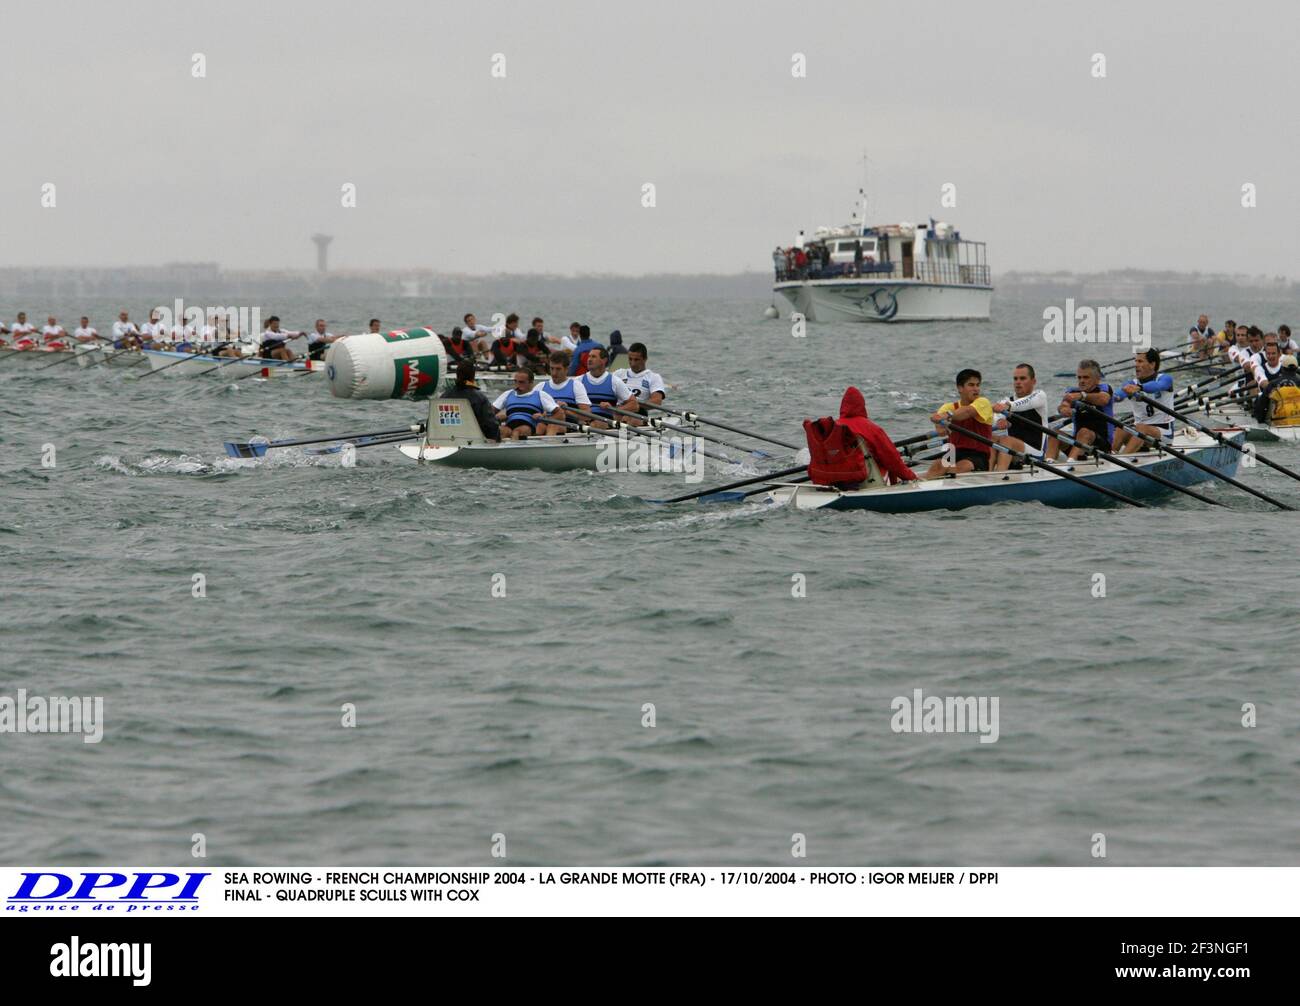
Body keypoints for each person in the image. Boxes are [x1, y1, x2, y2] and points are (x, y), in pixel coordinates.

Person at [832, 386, 916, 485]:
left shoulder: (832, 428)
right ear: (862, 406)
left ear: (842, 406)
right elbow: (892, 460)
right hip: (869, 482)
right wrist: (912, 477)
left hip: (836, 481)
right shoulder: (871, 429)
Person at [924, 369, 995, 477]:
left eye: (977, 385)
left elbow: (967, 412)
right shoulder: (949, 407)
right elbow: (941, 431)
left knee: (960, 467)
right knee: (937, 465)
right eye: (971, 385)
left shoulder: (983, 402)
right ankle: (915, 484)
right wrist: (938, 423)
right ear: (960, 388)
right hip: (953, 453)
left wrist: (946, 416)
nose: (976, 389)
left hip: (978, 456)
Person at [1045, 359, 1116, 461]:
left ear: (1097, 379)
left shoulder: (1104, 389)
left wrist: (1082, 396)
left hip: (1101, 445)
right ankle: (1049, 463)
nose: (1082, 381)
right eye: (1079, 377)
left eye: (1086, 377)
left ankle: (1071, 463)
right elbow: (1064, 404)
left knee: (1084, 432)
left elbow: (1103, 400)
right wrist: (1064, 410)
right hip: (1078, 444)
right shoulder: (1072, 392)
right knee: (1054, 433)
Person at [1111, 349, 1176, 452]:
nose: (1136, 365)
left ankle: (1124, 459)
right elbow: (1120, 394)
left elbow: (1157, 386)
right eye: (1135, 361)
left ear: (1152, 364)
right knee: (1120, 428)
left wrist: (1139, 387)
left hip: (1164, 433)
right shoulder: (1130, 383)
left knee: (1142, 428)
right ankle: (1110, 458)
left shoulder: (1165, 379)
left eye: (1140, 361)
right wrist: (1112, 398)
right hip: (1139, 431)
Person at [990, 363, 1049, 470]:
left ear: (1033, 381)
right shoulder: (1006, 401)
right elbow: (993, 419)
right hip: (1014, 452)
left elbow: (1025, 403)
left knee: (1006, 440)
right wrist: (999, 421)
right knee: (992, 438)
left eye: (1022, 378)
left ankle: (1000, 475)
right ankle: (988, 475)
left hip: (1036, 454)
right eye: (1015, 379)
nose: (1018, 382)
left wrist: (1008, 406)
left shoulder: (1040, 396)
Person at [492, 368, 561, 440]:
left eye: (521, 382)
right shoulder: (508, 394)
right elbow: (490, 412)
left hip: (528, 426)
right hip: (509, 425)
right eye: (515, 381)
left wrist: (544, 419)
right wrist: (496, 418)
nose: (517, 385)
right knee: (500, 431)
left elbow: (559, 412)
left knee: (517, 432)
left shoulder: (540, 395)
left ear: (531, 383)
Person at [442, 361, 501, 442]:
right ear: (473, 376)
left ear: (457, 375)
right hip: (474, 441)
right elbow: (491, 425)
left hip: (445, 440)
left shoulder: (444, 396)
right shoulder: (479, 398)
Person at [536, 350, 592, 433]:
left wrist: (567, 411)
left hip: (569, 428)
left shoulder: (576, 386)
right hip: (544, 425)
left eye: (558, 369)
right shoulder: (541, 387)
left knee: (552, 426)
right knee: (540, 426)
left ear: (566, 369)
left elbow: (587, 416)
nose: (554, 373)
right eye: (552, 368)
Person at [579, 347, 636, 427]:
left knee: (597, 423)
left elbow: (634, 404)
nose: (589, 359)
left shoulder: (614, 381)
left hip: (604, 423)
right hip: (584, 422)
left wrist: (615, 410)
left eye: (593, 357)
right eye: (589, 356)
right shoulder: (579, 381)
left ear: (604, 360)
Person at [614, 342, 666, 417]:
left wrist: (631, 406)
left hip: (637, 414)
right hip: (617, 411)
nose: (633, 363)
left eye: (636, 360)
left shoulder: (654, 377)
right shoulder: (618, 374)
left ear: (645, 359)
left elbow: (657, 401)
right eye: (630, 359)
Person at [1261, 355, 1300, 428]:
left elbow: (1262, 403)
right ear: (1296, 369)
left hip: (1279, 423)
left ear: (1282, 368)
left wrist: (1260, 419)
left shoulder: (1273, 383)